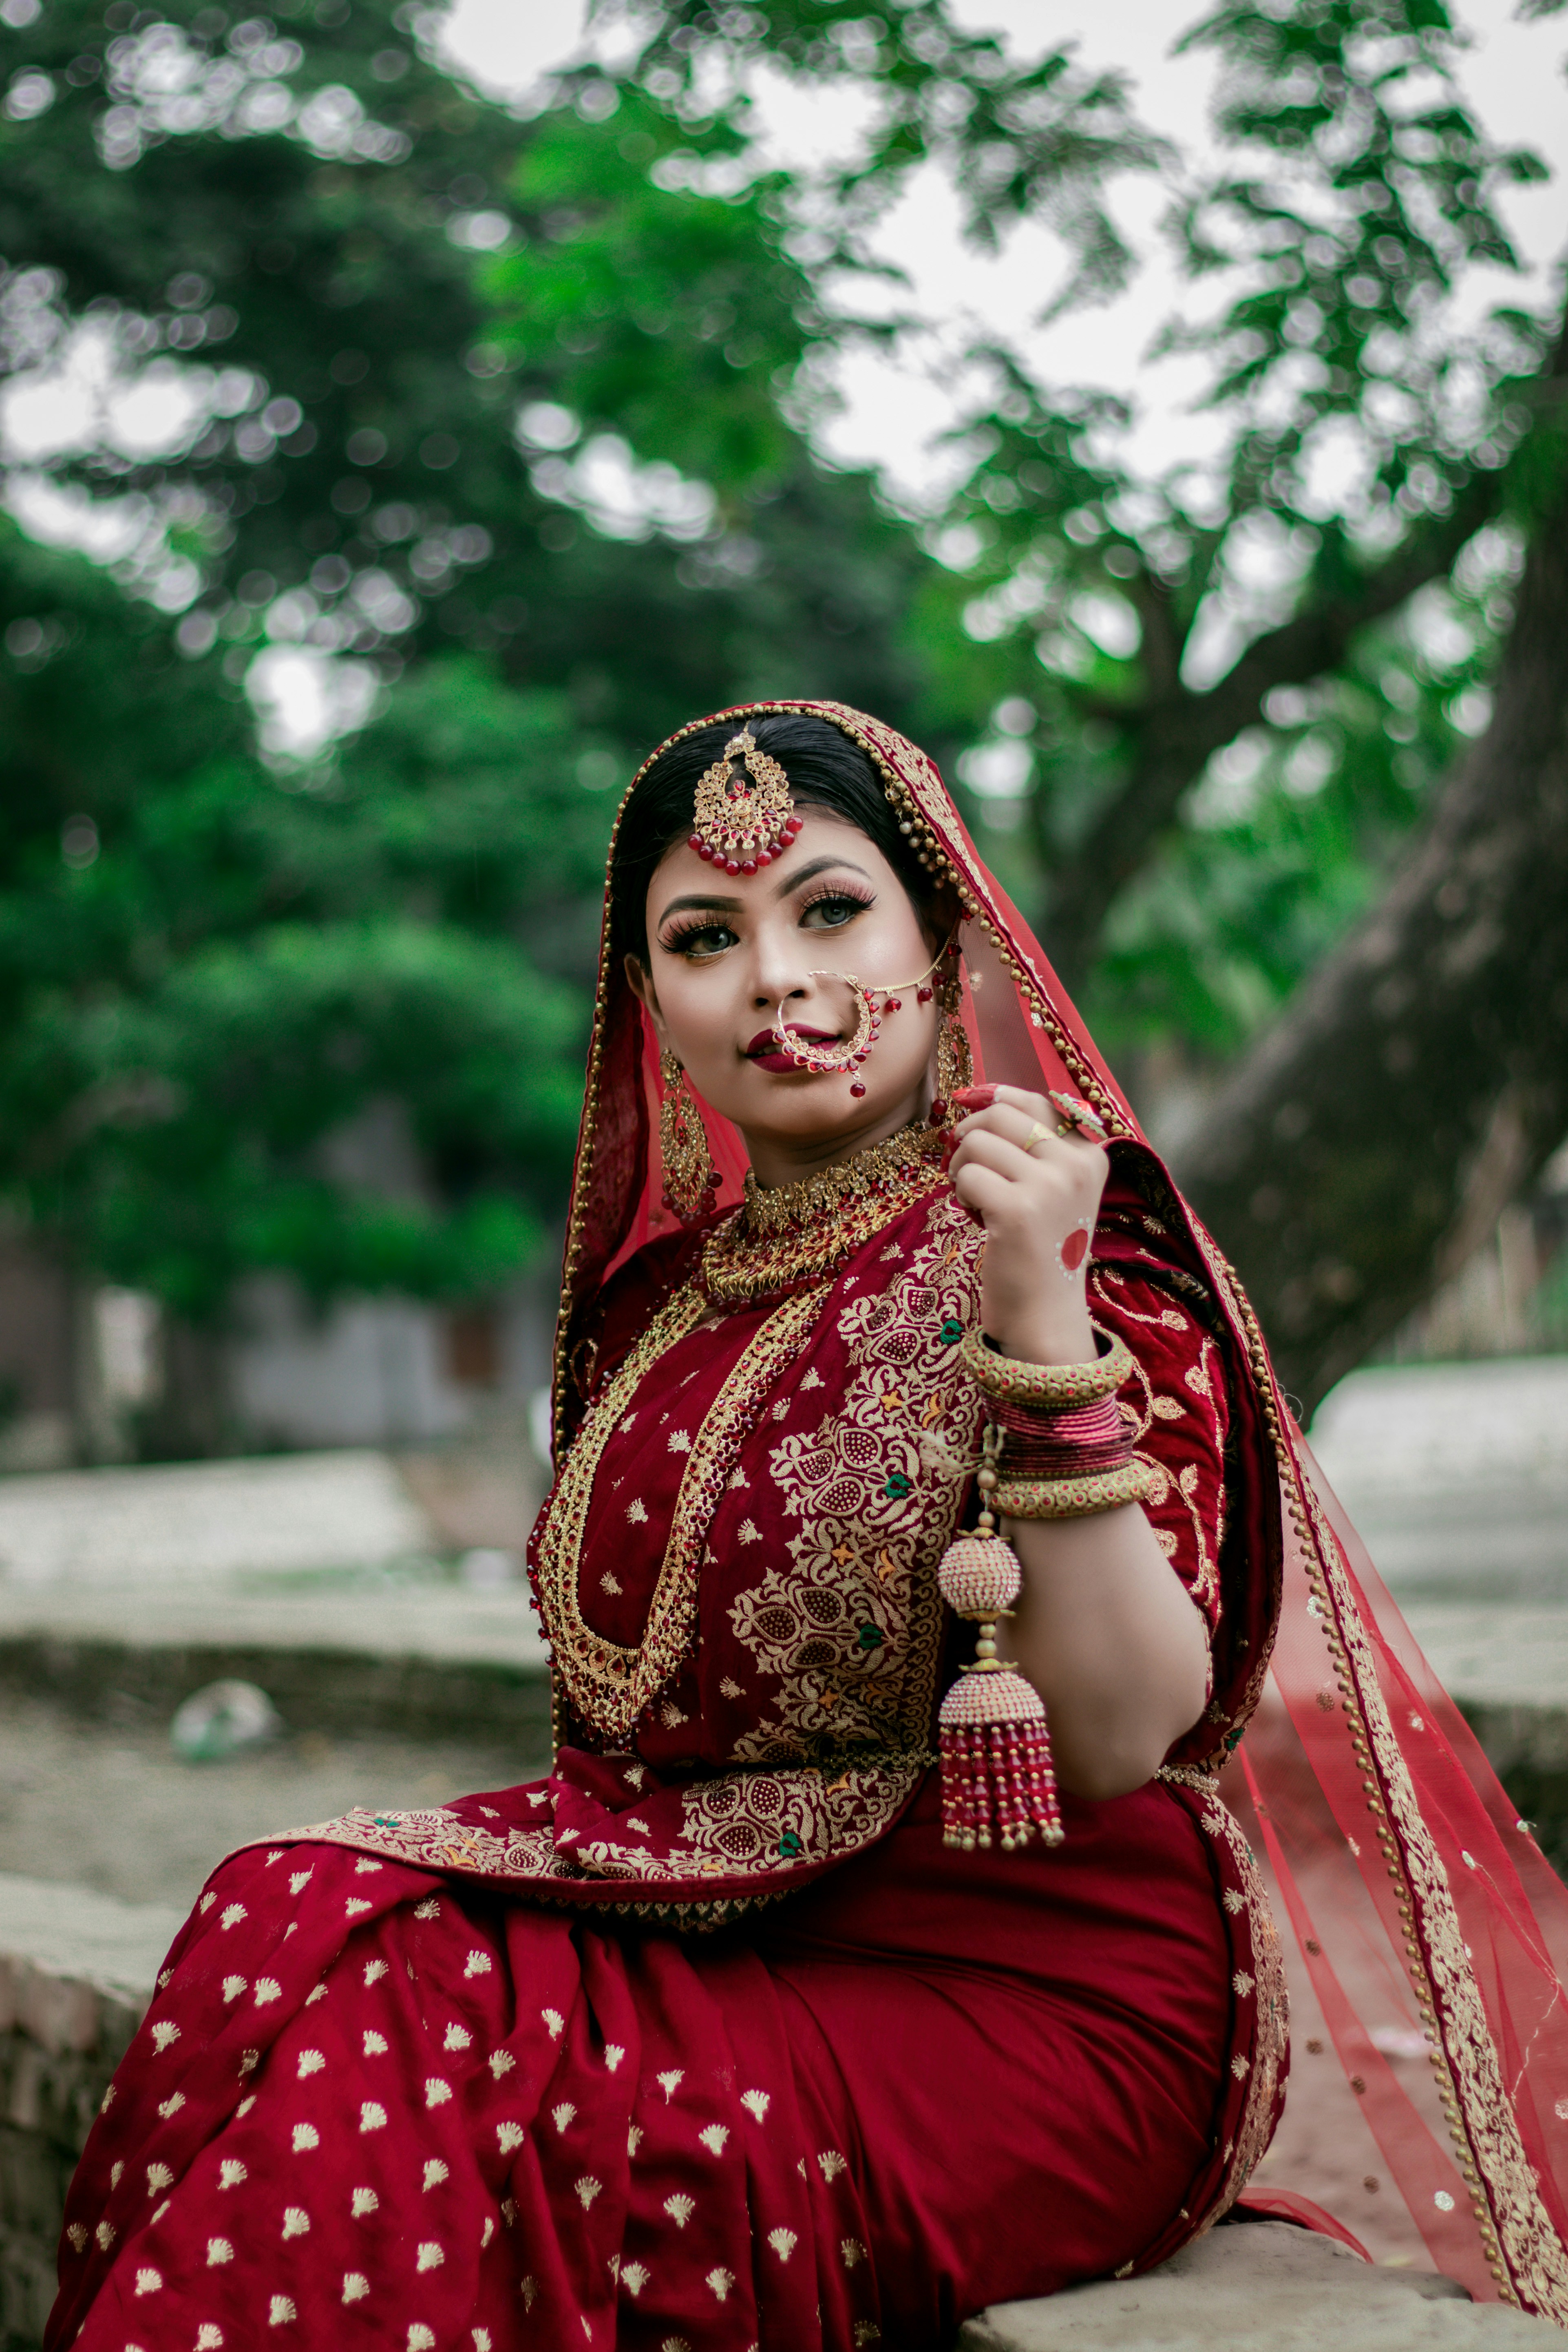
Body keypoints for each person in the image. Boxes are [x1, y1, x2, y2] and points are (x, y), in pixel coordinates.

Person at [48, 702, 1568, 2352]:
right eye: (705, 937)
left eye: (830, 909)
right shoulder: (653, 1310)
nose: (775, 977)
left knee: (431, 2041)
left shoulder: (1073, 1241)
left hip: (1032, 1994)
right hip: (720, 1929)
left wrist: (1037, 1322)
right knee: (286, 1907)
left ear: (939, 942)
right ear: (651, 1002)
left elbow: (1123, 1731)